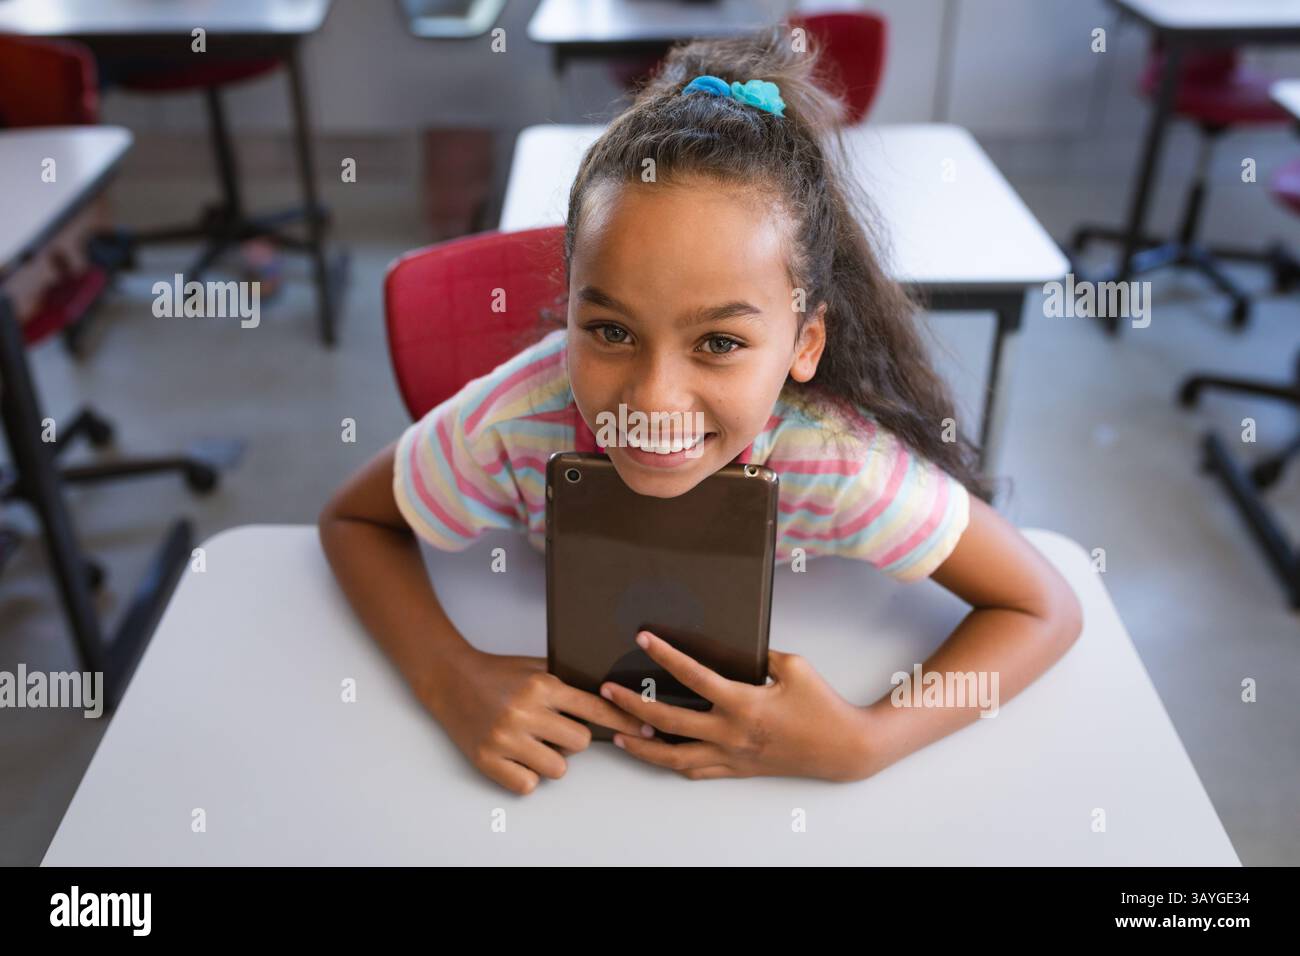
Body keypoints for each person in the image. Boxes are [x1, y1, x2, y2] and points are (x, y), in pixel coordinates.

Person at [319, 27, 1082, 795]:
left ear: (804, 343)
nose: (653, 400)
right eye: (611, 331)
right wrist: (451, 677)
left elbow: (1042, 609)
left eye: (718, 342)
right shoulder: (515, 423)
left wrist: (866, 741)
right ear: (569, 307)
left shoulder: (831, 459)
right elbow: (353, 521)